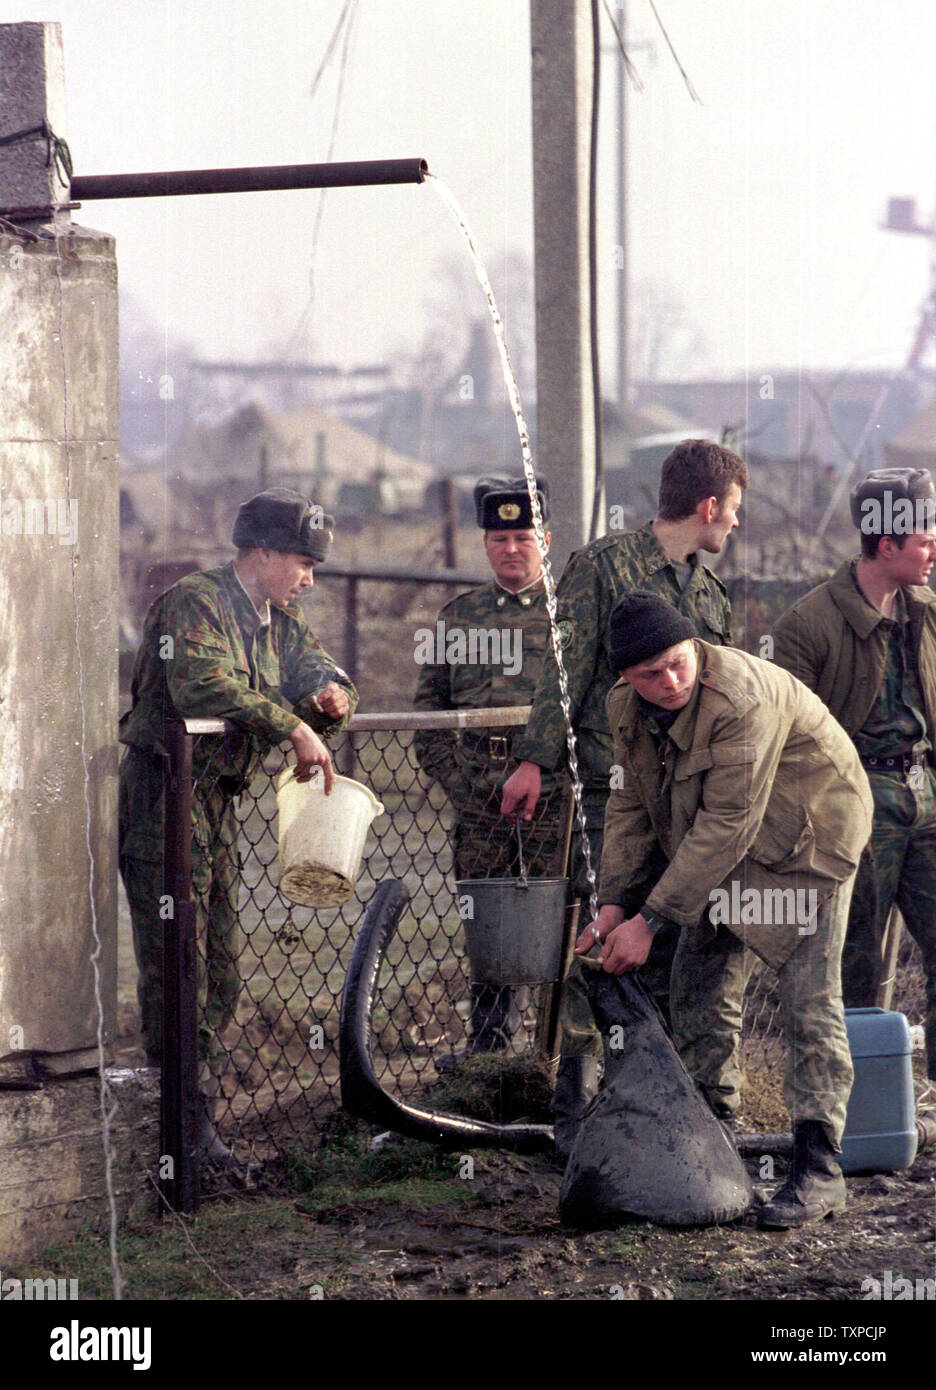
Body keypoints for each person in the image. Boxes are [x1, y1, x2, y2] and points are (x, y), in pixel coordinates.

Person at [580, 590, 873, 1227]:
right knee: (699, 986)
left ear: (695, 647)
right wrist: (611, 905)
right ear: (624, 677)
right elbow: (629, 806)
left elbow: (727, 823)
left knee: (808, 997)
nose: (669, 681)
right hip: (725, 849)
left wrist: (650, 920)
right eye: (649, 674)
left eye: (677, 662)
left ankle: (819, 1170)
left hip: (807, 844)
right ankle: (712, 1139)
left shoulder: (741, 697)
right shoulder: (623, 708)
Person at [500, 438, 748, 1147]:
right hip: (618, 791)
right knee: (603, 938)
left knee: (673, 945)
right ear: (708, 507)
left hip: (690, 803)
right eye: (732, 512)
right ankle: (575, 1111)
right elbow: (565, 667)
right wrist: (534, 761)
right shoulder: (602, 569)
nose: (733, 525)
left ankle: (657, 1104)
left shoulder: (707, 596)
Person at [119, 487, 358, 1169]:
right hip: (164, 797)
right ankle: (177, 1130)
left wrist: (328, 698)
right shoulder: (198, 602)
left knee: (220, 964)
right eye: (302, 562)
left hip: (214, 800)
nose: (309, 578)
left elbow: (324, 675)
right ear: (261, 553)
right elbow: (202, 686)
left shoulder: (280, 619)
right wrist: (291, 725)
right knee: (179, 959)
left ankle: (198, 1123)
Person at [773, 466, 936, 1085]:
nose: (934, 550)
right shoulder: (807, 626)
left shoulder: (926, 611)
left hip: (925, 796)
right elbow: (785, 743)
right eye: (924, 539)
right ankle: (861, 1105)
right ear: (887, 544)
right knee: (857, 964)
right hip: (856, 806)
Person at [413, 475, 563, 1062]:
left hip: (556, 796)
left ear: (545, 538)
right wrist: (462, 783)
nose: (511, 549)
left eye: (523, 536)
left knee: (560, 913)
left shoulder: (568, 615)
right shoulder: (457, 619)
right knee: (488, 920)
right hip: (480, 797)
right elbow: (429, 710)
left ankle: (559, 1049)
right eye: (498, 537)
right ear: (484, 543)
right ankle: (490, 1045)